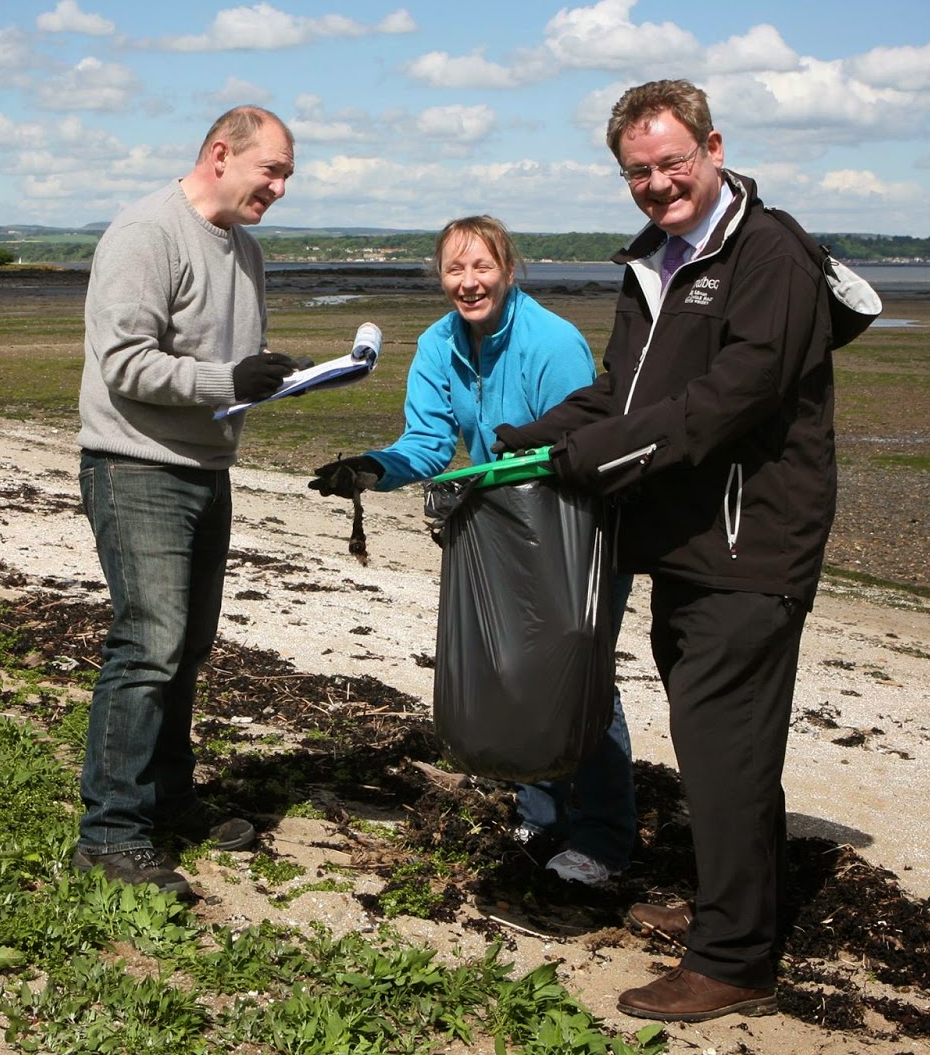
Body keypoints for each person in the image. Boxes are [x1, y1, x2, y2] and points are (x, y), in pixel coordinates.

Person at [492, 80, 835, 1023]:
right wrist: (530, 438)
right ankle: (736, 918)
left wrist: (589, 460)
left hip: (748, 542)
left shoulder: (771, 253)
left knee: (724, 747)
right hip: (682, 546)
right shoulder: (659, 260)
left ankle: (734, 959)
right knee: (716, 745)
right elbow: (622, 393)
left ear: (714, 147)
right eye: (637, 171)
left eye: (672, 162)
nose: (657, 183)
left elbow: (733, 396)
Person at [307, 216, 638, 886]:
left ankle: (604, 838)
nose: (468, 282)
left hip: (575, 521)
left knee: (575, 662)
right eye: (455, 269)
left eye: (481, 267)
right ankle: (541, 808)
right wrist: (372, 468)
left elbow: (579, 448)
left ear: (509, 270)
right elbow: (428, 443)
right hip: (499, 527)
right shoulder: (438, 345)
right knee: (514, 664)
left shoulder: (553, 344)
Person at [75, 106, 302, 899]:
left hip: (207, 469)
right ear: (219, 154)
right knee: (148, 644)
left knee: (187, 646)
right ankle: (109, 834)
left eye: (286, 177)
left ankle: (169, 798)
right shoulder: (146, 233)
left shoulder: (246, 249)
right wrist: (225, 382)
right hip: (135, 467)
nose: (278, 188)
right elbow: (124, 366)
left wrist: (274, 376)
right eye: (269, 171)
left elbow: (224, 364)